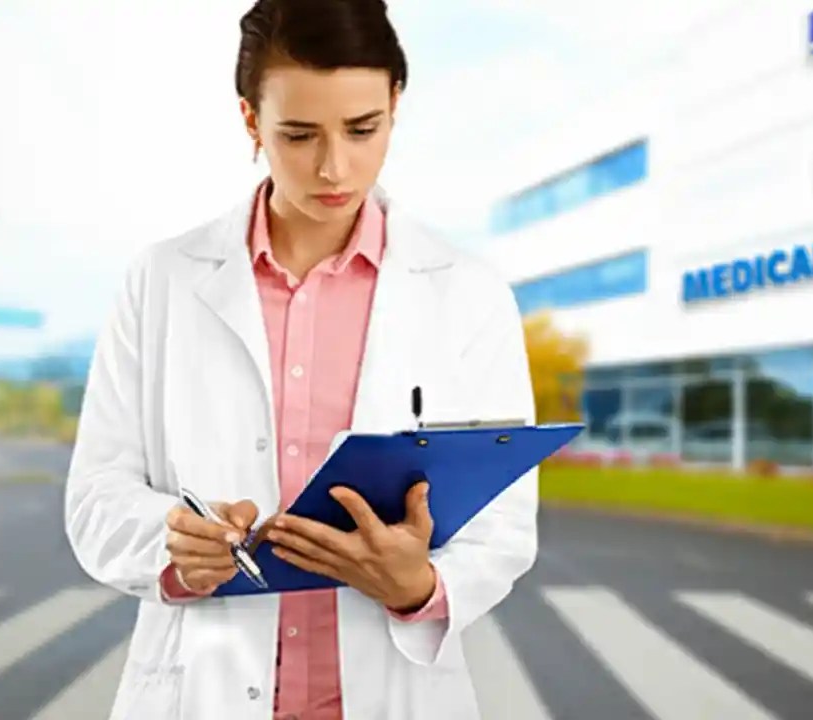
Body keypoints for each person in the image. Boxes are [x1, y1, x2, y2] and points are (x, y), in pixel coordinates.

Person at [62, 0, 539, 717]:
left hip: (388, 692)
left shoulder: (467, 293)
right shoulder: (163, 279)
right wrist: (175, 544)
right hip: (202, 690)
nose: (333, 166)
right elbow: (97, 495)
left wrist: (416, 584)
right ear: (251, 120)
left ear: (395, 105)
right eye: (298, 133)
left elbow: (505, 527)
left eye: (362, 129)